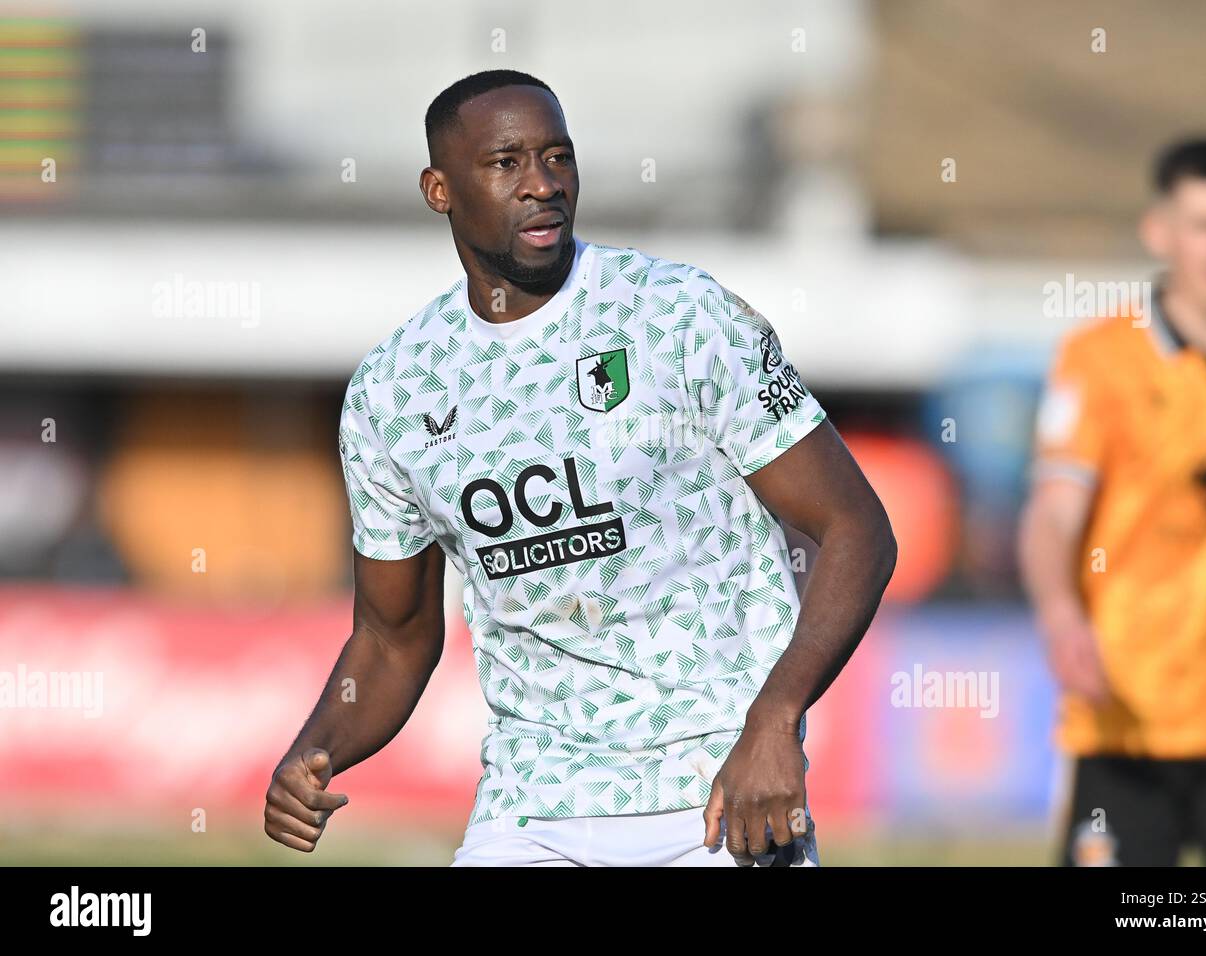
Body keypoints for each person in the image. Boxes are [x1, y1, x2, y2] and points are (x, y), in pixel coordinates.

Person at [263, 70, 896, 867]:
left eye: (558, 158)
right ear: (439, 188)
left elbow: (856, 528)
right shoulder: (394, 389)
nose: (542, 184)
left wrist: (774, 721)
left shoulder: (680, 315)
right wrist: (313, 750)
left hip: (716, 801)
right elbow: (393, 639)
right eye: (506, 163)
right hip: (532, 805)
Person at [1020, 137, 1206, 866]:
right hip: (1126, 709)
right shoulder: (1099, 359)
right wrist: (1059, 613)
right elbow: (1053, 511)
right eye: (1204, 224)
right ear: (1161, 232)